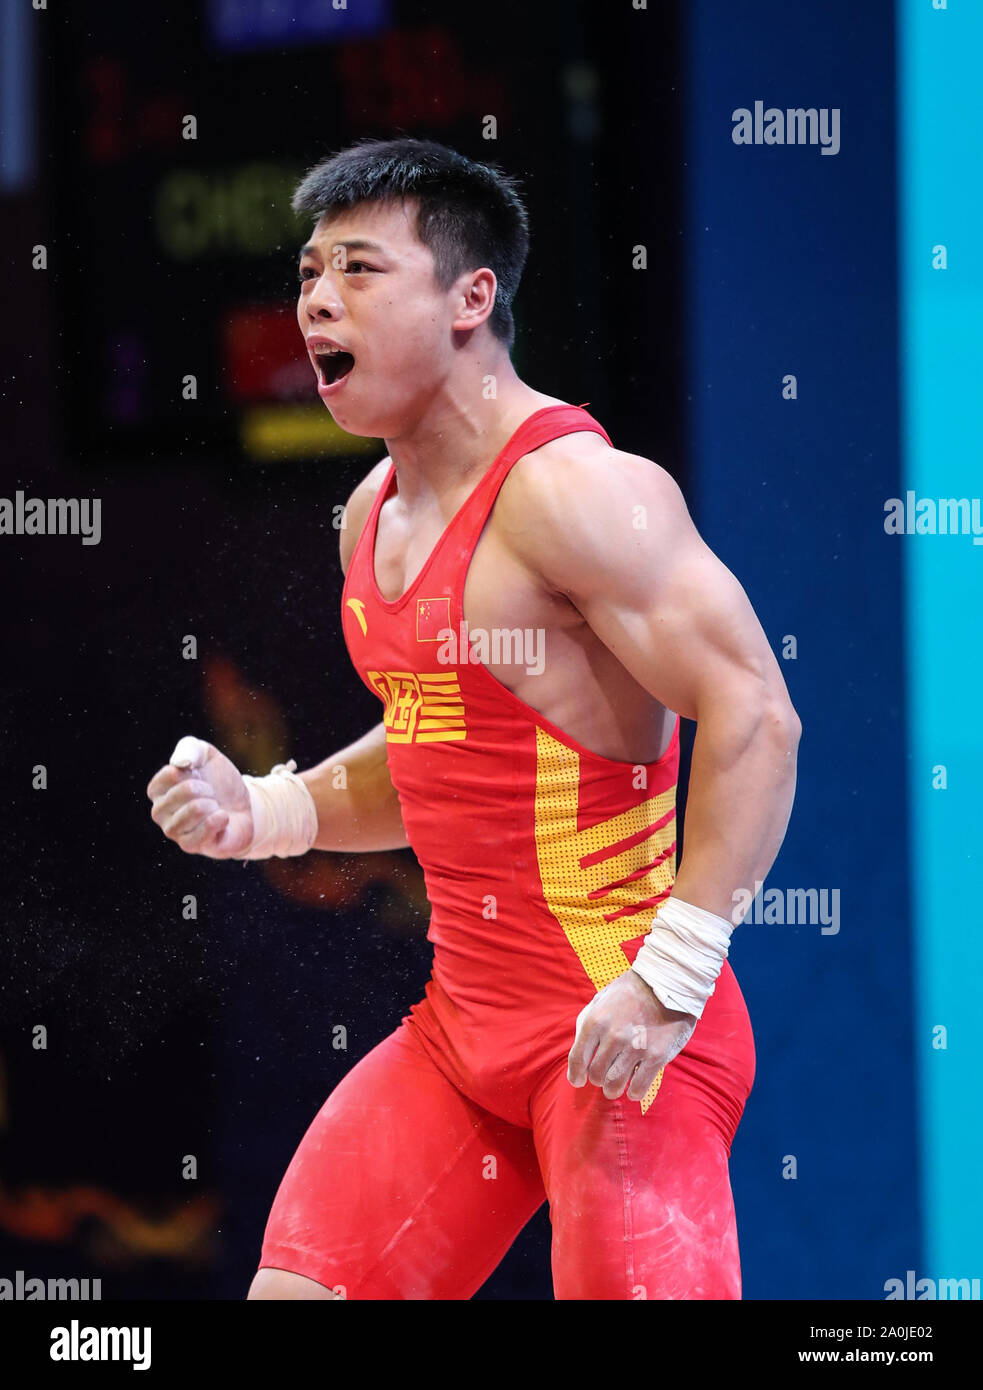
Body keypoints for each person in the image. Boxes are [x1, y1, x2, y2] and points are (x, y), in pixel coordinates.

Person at [146, 137, 800, 1300]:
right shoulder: (371, 518)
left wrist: (672, 971)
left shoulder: (577, 494)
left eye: (356, 269)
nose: (313, 301)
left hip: (626, 1034)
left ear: (470, 297)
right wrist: (269, 809)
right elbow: (438, 750)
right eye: (305, 274)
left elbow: (754, 714)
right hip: (462, 1038)